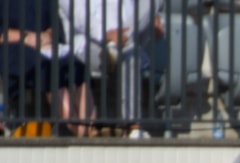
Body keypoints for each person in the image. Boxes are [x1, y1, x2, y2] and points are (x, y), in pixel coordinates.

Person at [61, 0, 164, 138]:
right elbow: (79, 16)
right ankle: (133, 126)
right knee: (130, 51)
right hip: (89, 42)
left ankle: (117, 45)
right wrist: (105, 33)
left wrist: (153, 17)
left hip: (125, 37)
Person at [1, 1, 95, 136]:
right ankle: (78, 129)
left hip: (45, 46)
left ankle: (90, 128)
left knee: (77, 68)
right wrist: (27, 37)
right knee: (49, 71)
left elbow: (56, 26)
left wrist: (47, 36)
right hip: (13, 47)